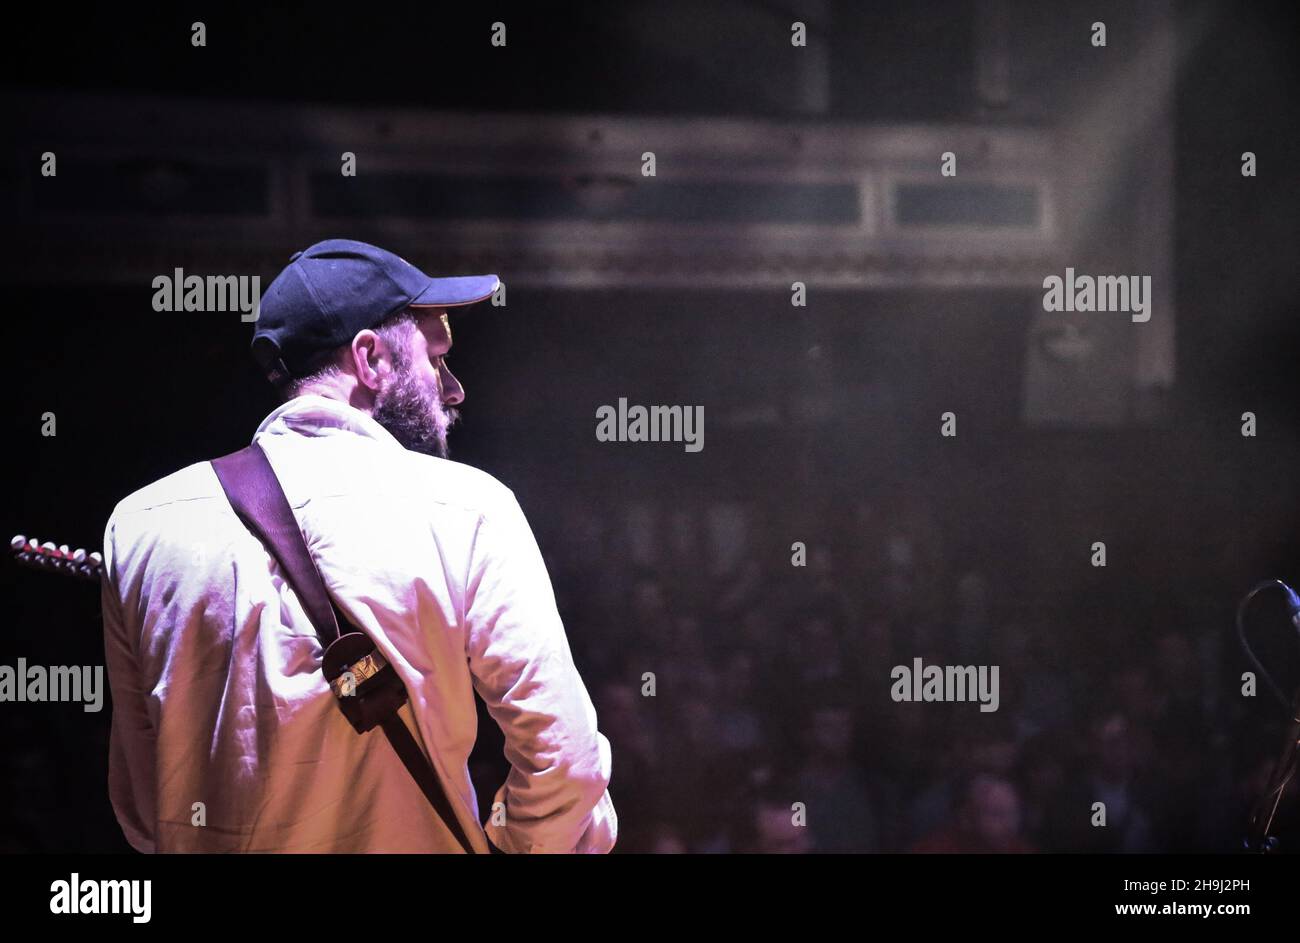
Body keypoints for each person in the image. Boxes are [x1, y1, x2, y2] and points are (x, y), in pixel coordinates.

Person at [100, 239, 617, 853]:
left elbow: (139, 801)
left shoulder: (141, 524)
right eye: (436, 359)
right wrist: (507, 845)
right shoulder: (467, 508)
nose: (452, 390)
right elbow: (565, 761)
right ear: (371, 358)